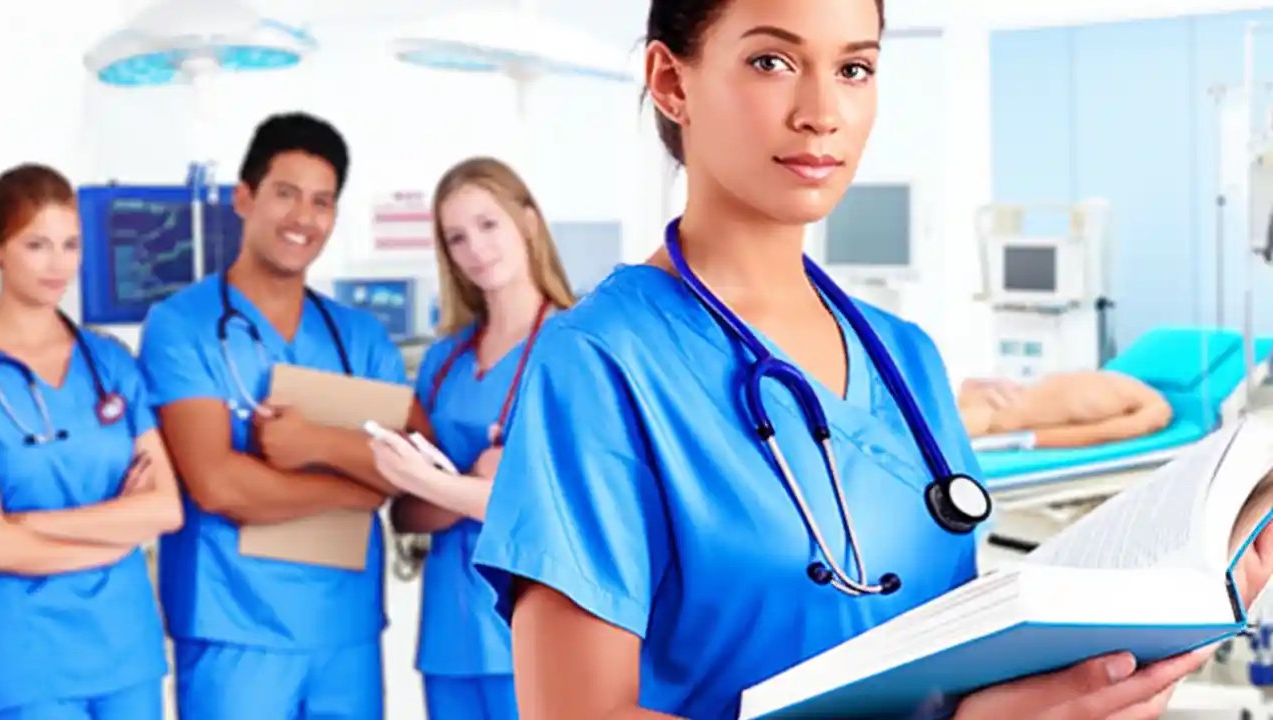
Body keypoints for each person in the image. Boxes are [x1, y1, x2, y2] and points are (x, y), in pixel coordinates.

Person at [465, 1, 1273, 719]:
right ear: (670, 82)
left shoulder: (905, 359)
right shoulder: (604, 360)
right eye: (772, 61)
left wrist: (1117, 666)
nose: (822, 112)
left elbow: (951, 662)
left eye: (854, 68)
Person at [137, 113, 409, 720]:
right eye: (285, 193)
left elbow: (414, 464)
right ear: (244, 198)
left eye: (321, 201)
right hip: (234, 626)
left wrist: (315, 443)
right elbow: (218, 484)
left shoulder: (358, 337)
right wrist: (355, 486)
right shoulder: (182, 326)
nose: (302, 218)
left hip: (344, 630)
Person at [369, 157, 576, 720]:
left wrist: (434, 485)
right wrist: (461, 487)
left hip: (536, 629)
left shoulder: (577, 347)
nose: (475, 249)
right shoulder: (443, 360)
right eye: (456, 237)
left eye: (488, 225)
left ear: (528, 222)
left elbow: (556, 509)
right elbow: (407, 515)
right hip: (451, 636)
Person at [0, 164, 182, 719]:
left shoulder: (110, 363)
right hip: (28, 659)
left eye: (70, 244)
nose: (59, 264)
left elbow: (166, 509)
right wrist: (121, 536)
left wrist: (31, 523)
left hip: (126, 649)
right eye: (37, 244)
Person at [956, 370, 1173, 448]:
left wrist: (1035, 439)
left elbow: (1095, 435)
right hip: (994, 405)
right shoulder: (1119, 388)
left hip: (998, 414)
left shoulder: (1148, 404)